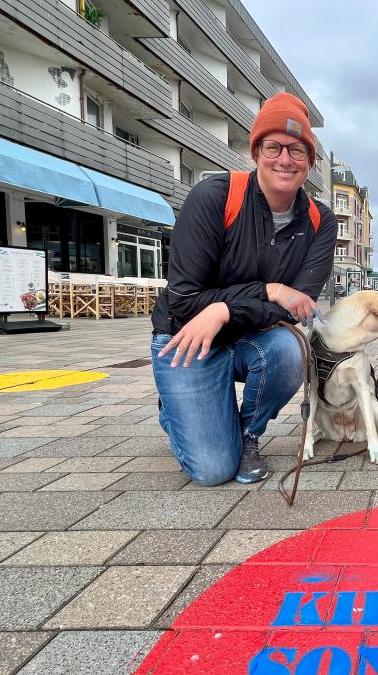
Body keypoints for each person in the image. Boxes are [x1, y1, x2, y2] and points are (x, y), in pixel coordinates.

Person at [150, 93, 337, 486]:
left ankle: (248, 434)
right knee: (213, 471)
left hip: (249, 337)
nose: (285, 159)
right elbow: (184, 302)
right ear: (256, 152)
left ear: (310, 162)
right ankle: (175, 407)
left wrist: (225, 310)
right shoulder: (214, 197)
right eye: (273, 147)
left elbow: (295, 309)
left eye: (298, 150)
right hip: (186, 336)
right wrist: (269, 289)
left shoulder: (321, 221)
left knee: (291, 350)